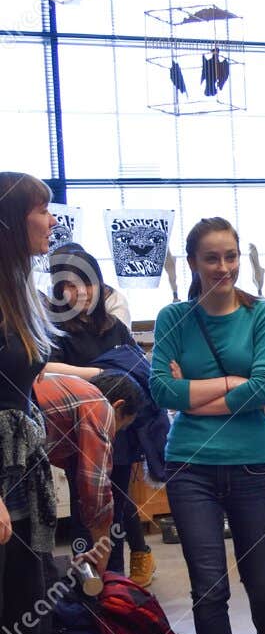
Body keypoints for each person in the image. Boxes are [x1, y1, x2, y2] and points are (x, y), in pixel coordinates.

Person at [150, 217, 265, 634]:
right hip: (190, 467)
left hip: (253, 465)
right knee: (209, 587)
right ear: (194, 264)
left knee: (263, 580)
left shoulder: (263, 314)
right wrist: (234, 383)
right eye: (212, 258)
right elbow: (161, 389)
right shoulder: (173, 319)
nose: (224, 267)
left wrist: (198, 390)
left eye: (231, 256)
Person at [0, 173, 76, 634]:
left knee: (23, 592)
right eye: (42, 210)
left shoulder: (16, 288)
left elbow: (27, 367)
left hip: (19, 468)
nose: (53, 221)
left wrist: (92, 373)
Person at [43, 245, 165, 583]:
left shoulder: (113, 326)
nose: (81, 291)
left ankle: (115, 584)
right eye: (70, 284)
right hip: (80, 434)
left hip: (121, 430)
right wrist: (100, 375)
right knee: (87, 511)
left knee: (117, 507)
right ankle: (88, 588)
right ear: (58, 288)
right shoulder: (55, 329)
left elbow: (135, 364)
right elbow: (47, 370)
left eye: (88, 282)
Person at [34, 370, 143, 570]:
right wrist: (103, 549)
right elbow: (95, 488)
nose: (115, 434)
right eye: (122, 426)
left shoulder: (73, 387)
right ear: (118, 407)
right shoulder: (98, 405)